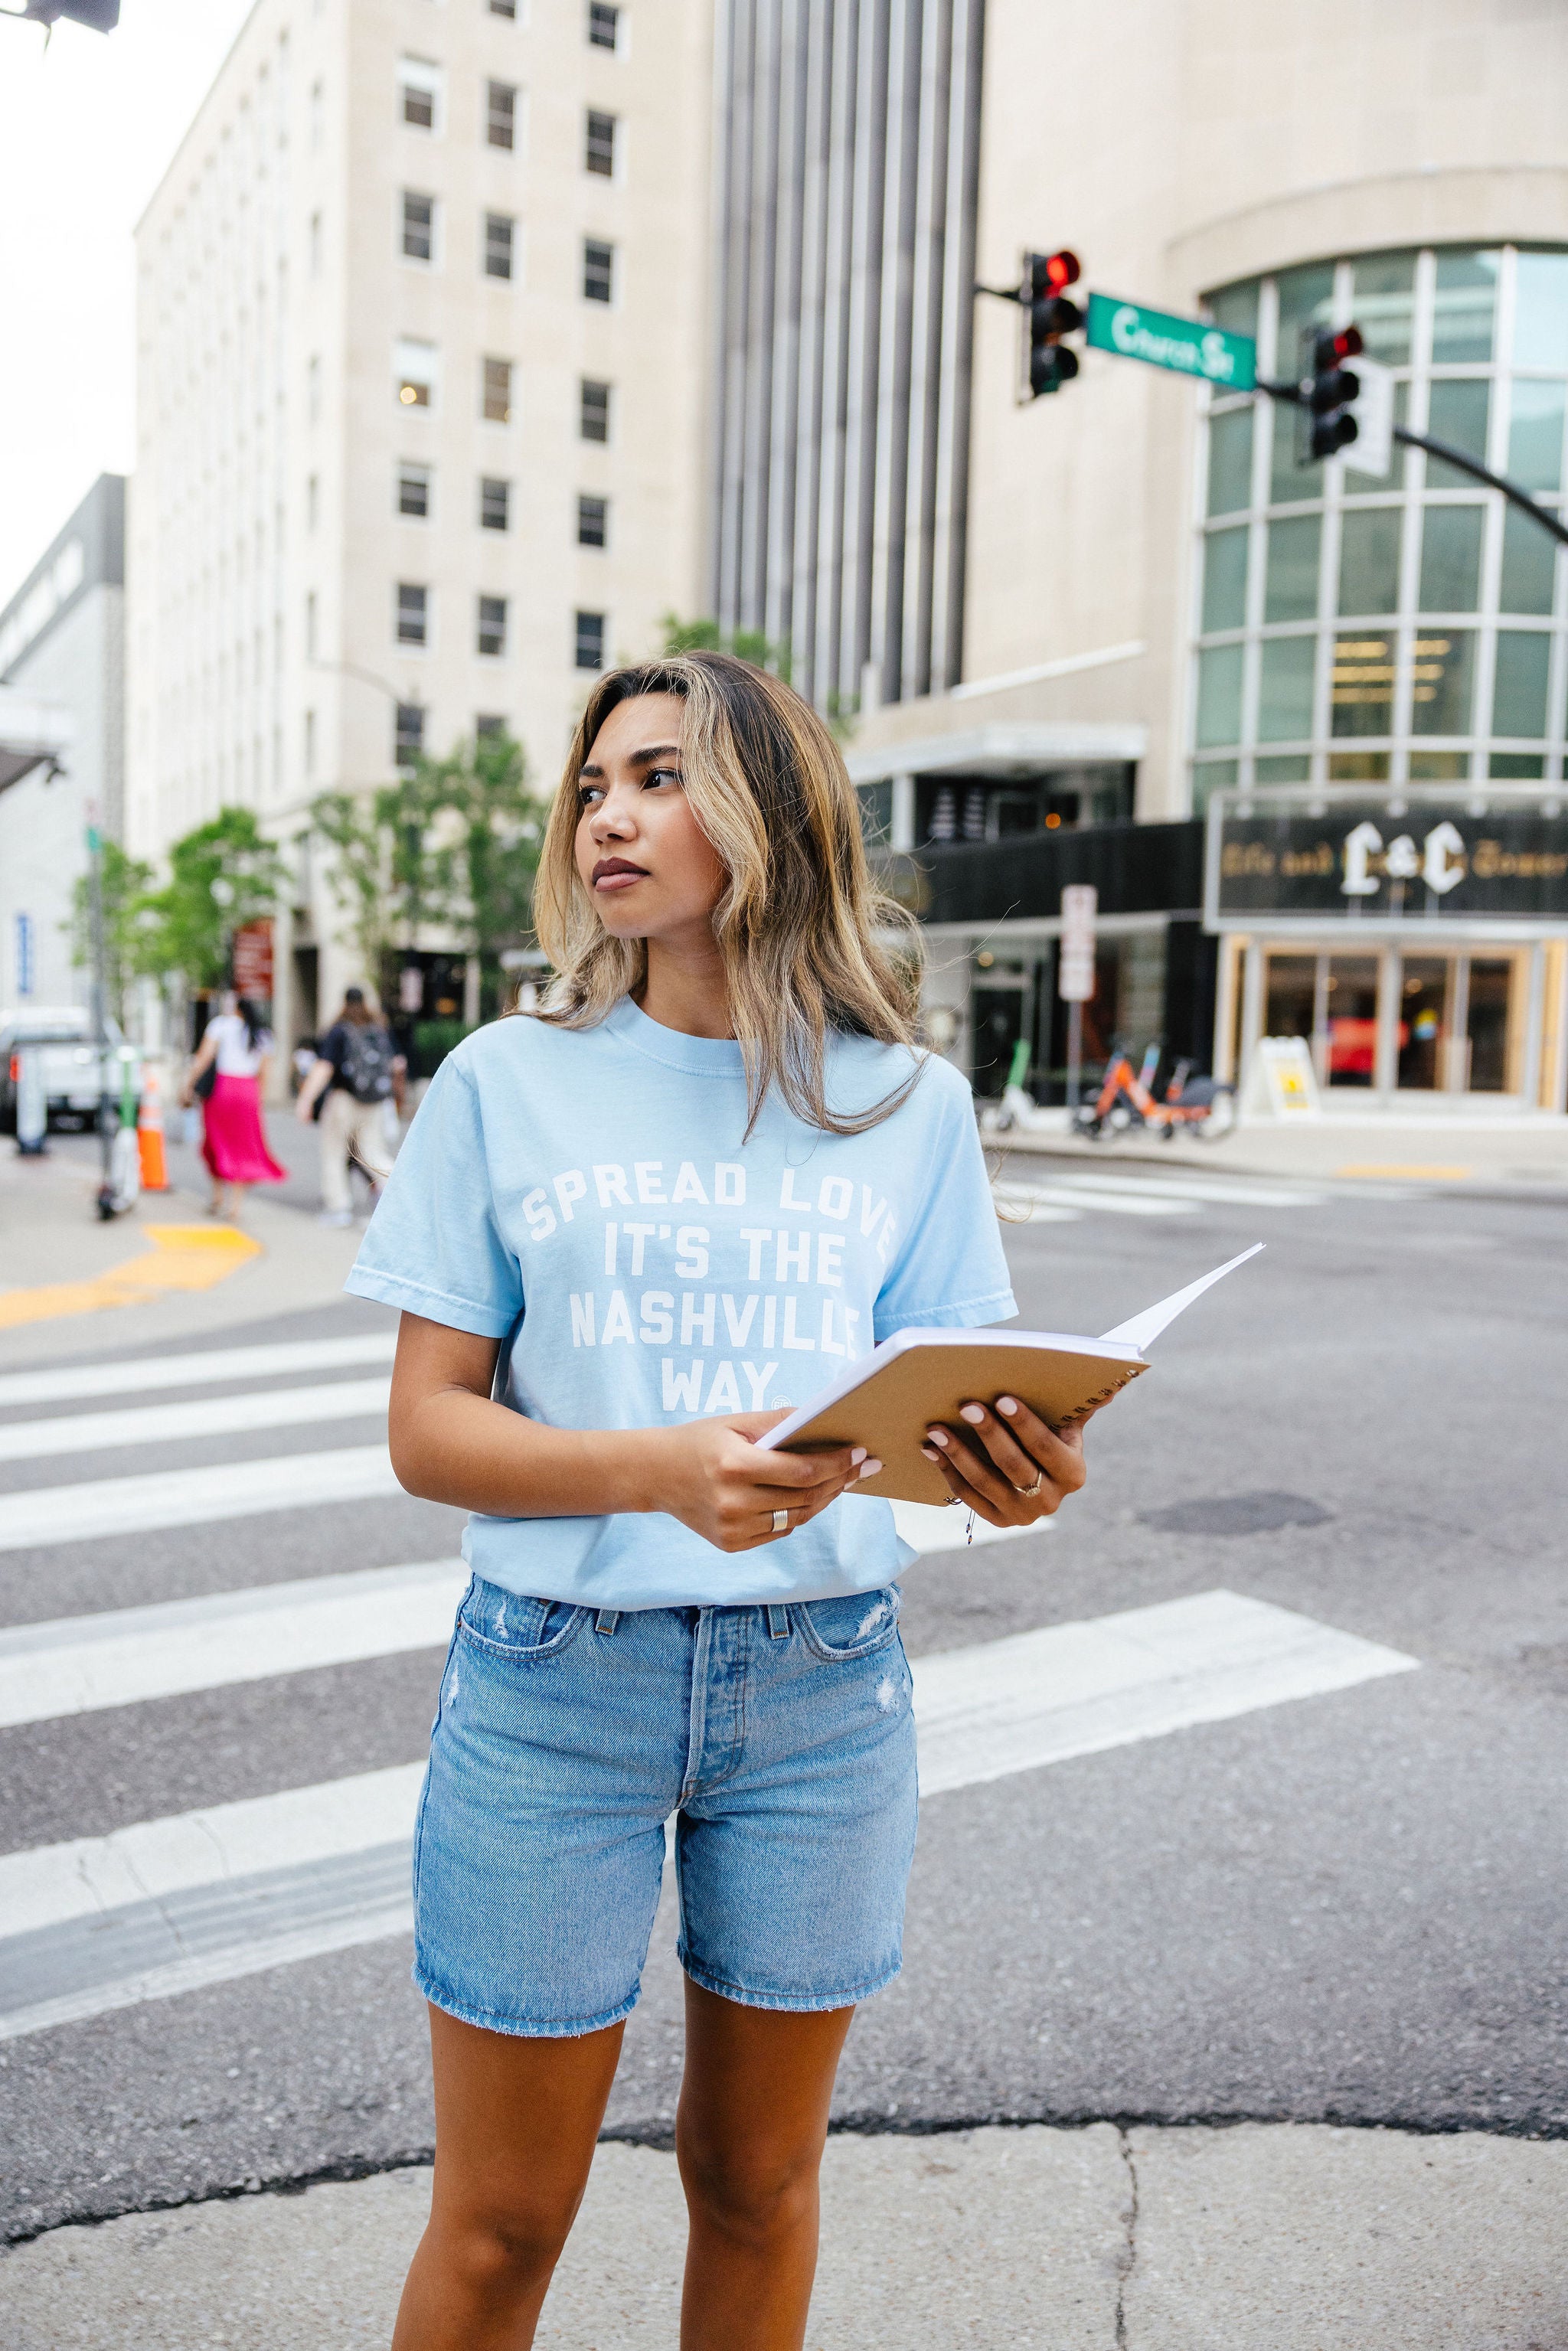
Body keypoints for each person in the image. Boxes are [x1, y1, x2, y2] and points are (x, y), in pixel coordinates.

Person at [345, 653, 1094, 2351]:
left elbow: (948, 1404)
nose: (606, 816)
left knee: (757, 2183)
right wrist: (660, 1469)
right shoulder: (504, 1080)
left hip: (823, 1691)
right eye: (592, 786)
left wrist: (1015, 1471)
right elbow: (426, 1430)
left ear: (774, 815)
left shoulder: (908, 1105)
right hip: (554, 1685)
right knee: (501, 2222)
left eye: (660, 777)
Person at [295, 986, 407, 1226]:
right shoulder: (377, 1029)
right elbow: (397, 1064)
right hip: (374, 1101)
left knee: (334, 1152)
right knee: (372, 1152)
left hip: (343, 1099)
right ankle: (397, 1196)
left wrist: (306, 1100)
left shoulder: (339, 1030)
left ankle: (338, 1208)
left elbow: (324, 1067)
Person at [178, 993, 286, 1220]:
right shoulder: (263, 1034)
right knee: (241, 1147)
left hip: (223, 1088)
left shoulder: (221, 1025)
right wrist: (258, 1101)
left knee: (214, 1142)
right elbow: (264, 1073)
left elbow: (203, 1058)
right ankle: (235, 1204)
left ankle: (218, 1195)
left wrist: (187, 1086)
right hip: (248, 1091)